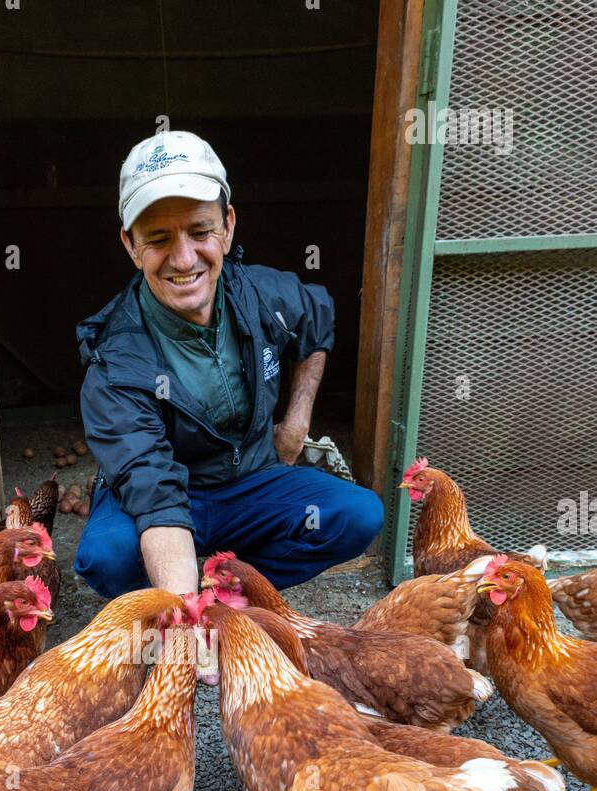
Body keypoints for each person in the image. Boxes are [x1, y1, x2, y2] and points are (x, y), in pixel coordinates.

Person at [74, 130, 383, 599]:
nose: (183, 258)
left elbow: (316, 320)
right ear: (130, 246)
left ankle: (234, 594)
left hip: (249, 483)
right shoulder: (115, 363)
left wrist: (296, 422)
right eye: (158, 239)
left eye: (200, 231)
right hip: (164, 491)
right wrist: (185, 624)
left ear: (229, 226)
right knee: (108, 558)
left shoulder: (262, 294)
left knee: (358, 515)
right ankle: (185, 600)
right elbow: (155, 494)